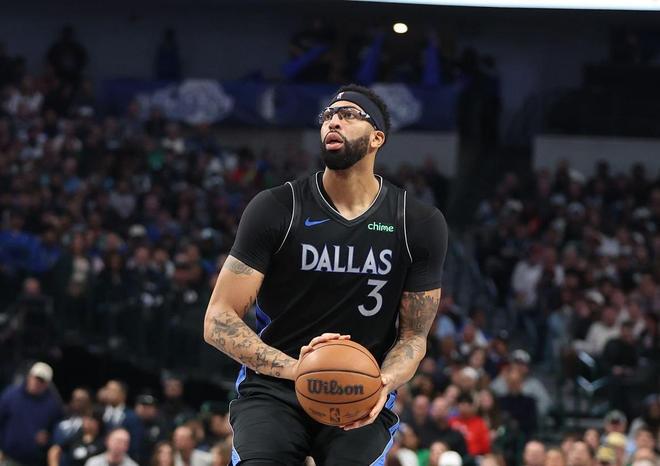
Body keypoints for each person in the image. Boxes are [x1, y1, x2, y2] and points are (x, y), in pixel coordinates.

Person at [203, 84, 449, 465]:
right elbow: (218, 319)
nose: (333, 121)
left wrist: (384, 381)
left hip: (361, 387)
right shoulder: (277, 208)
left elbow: (413, 337)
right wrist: (299, 370)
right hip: (275, 386)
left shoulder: (416, 222)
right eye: (328, 116)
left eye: (348, 115)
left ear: (377, 138)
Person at [0, 362, 63, 466]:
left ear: (47, 384)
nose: (37, 383)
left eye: (41, 381)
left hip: (35, 462)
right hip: (7, 458)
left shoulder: (53, 406)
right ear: (29, 377)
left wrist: (48, 439)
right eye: (35, 378)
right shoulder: (10, 395)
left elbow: (57, 432)